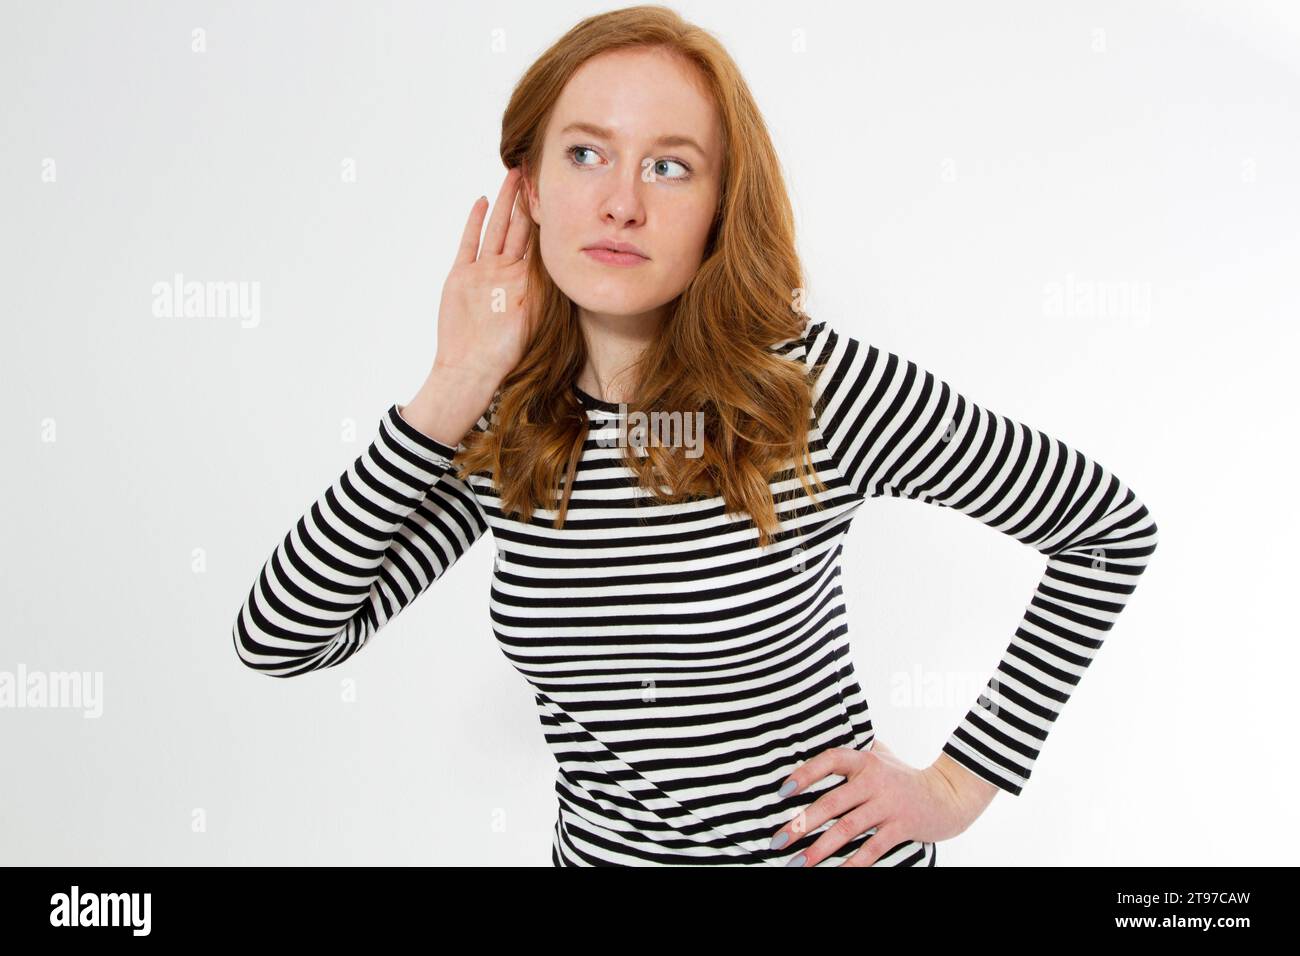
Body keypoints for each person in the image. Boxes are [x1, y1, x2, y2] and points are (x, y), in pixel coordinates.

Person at [231, 5, 1158, 866]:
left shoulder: (810, 390)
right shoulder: (512, 420)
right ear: (530, 190)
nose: (622, 203)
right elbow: (282, 640)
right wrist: (452, 384)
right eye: (587, 154)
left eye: (670, 166)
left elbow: (1107, 530)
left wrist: (959, 786)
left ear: (720, 205)